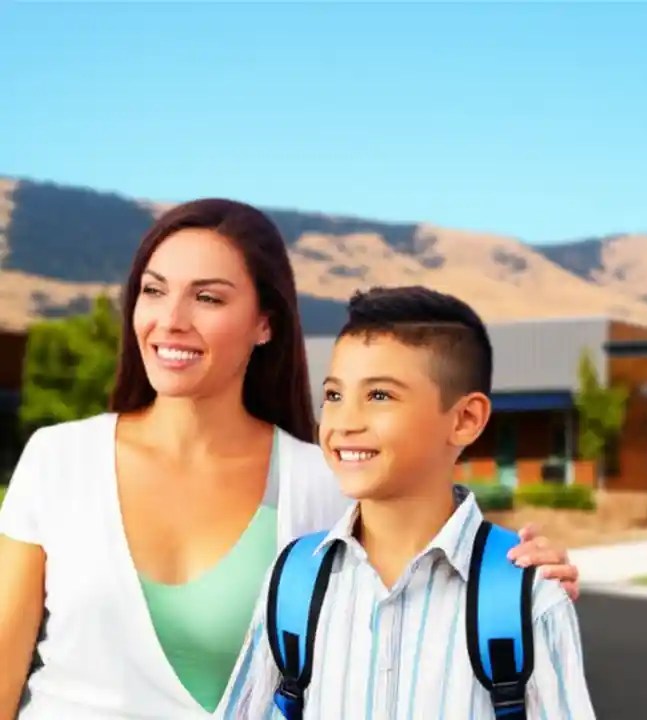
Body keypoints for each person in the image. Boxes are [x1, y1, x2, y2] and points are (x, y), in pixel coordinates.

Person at [0, 199, 582, 719]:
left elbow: (421, 557)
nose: (170, 318)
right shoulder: (58, 459)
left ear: (265, 323)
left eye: (206, 297)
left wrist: (512, 566)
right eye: (153, 290)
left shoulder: (322, 480)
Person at [220, 285, 596, 719]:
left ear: (465, 419)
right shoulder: (293, 582)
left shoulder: (525, 598)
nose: (345, 421)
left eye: (379, 395)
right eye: (334, 395)